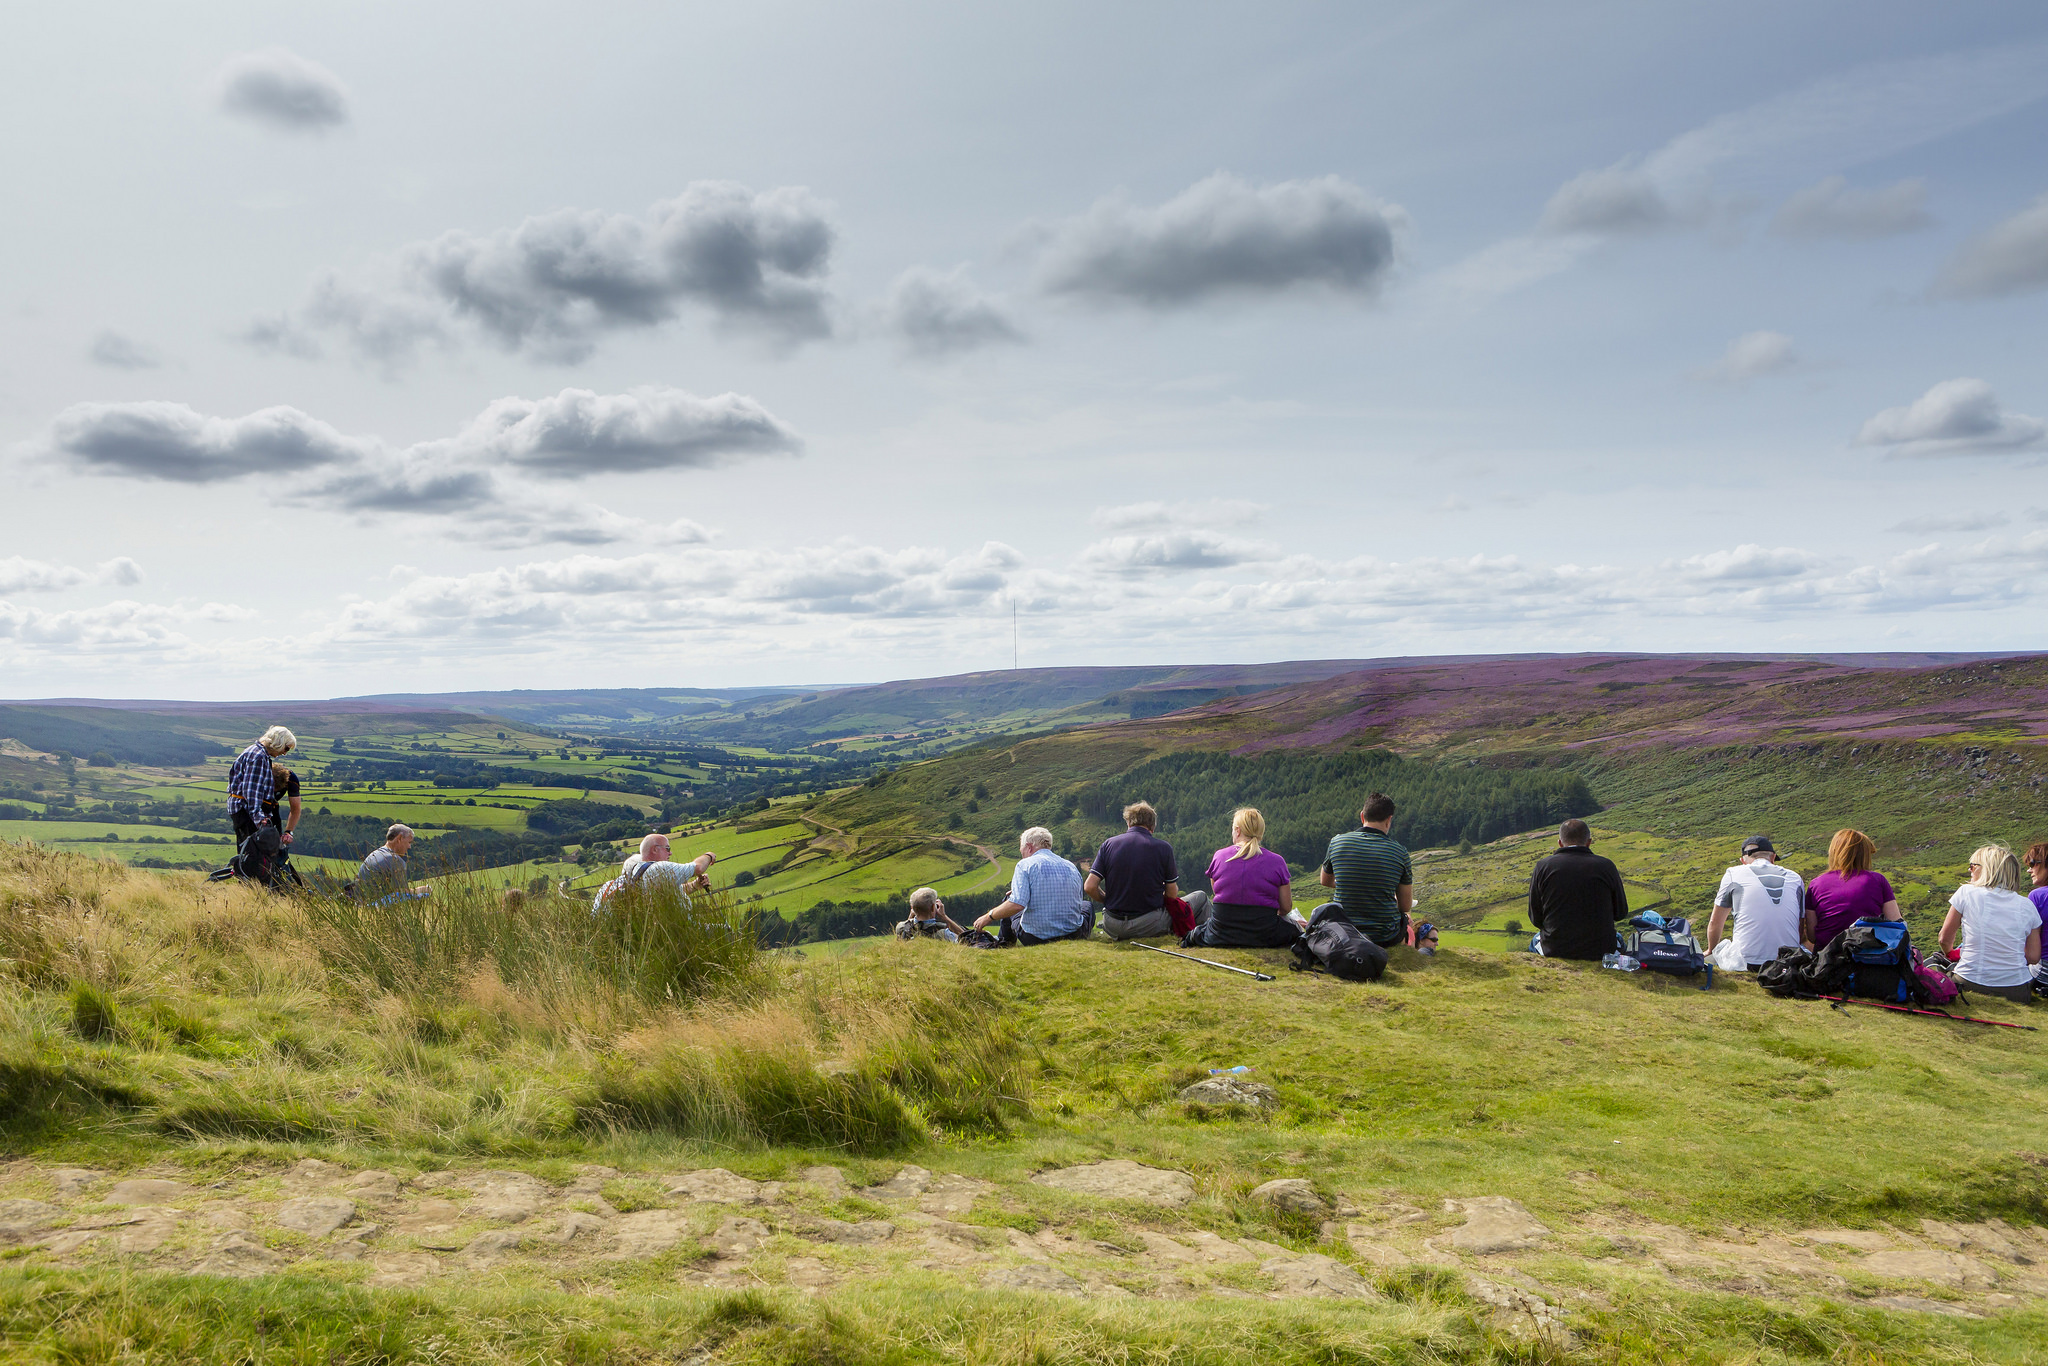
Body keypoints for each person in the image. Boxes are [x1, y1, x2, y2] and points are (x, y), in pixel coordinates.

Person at [1184, 807, 1301, 949]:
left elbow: (1219, 893)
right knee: (1296, 930)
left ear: (1238, 830)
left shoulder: (1219, 856)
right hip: (1265, 934)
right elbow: (1286, 907)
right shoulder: (1277, 861)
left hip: (1221, 932)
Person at [1939, 843, 2042, 1003]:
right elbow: (2033, 957)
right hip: (2017, 989)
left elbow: (1944, 939)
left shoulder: (1966, 892)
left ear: (1988, 868)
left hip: (1970, 981)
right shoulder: (2027, 906)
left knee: (1934, 966)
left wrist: (1951, 954)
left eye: (1973, 866)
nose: (1970, 870)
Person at [1318, 791, 1413, 948]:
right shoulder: (1400, 852)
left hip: (1344, 931)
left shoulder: (1337, 842)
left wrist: (1352, 883)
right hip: (1384, 936)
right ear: (1389, 820)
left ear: (1362, 816)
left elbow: (1325, 881)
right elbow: (1405, 906)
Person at [1526, 819, 1629, 960]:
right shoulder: (1606, 866)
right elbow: (1620, 913)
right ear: (1589, 842)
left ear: (1560, 843)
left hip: (1555, 948)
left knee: (1535, 942)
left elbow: (1536, 918)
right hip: (1601, 949)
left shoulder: (1543, 867)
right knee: (1618, 938)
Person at [1705, 835, 1808, 971]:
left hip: (1746, 963)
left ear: (1743, 860)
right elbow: (1800, 924)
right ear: (1773, 857)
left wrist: (1711, 950)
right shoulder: (1795, 878)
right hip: (1788, 962)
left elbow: (1715, 922)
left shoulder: (1733, 873)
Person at [973, 828, 1088, 944]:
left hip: (1035, 938)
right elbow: (1077, 899)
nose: (1022, 854)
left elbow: (1016, 905)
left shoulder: (1025, 865)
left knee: (1009, 900)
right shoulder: (1070, 866)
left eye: (1021, 850)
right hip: (1072, 934)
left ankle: (1005, 944)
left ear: (1029, 847)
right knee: (1087, 906)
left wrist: (988, 916)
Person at [1085, 801, 1179, 939]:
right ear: (1152, 826)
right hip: (1149, 924)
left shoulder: (1108, 845)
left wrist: (1108, 900)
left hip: (1113, 925)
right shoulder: (1163, 848)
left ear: (1128, 823)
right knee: (1199, 898)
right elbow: (1172, 893)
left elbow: (1089, 887)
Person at [1803, 828, 1900, 950]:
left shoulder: (1815, 885)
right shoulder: (1878, 880)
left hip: (1828, 959)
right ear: (1864, 856)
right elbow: (1896, 925)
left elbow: (1812, 936)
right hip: (1869, 956)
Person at [595, 834, 714, 911]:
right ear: (655, 849)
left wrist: (694, 885)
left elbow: (668, 890)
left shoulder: (610, 886)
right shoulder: (656, 870)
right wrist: (709, 855)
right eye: (667, 849)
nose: (670, 853)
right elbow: (698, 867)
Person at [227, 726, 296, 848]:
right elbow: (251, 791)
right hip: (246, 812)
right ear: (278, 742)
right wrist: (259, 818)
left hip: (242, 810)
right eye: (286, 748)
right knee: (255, 856)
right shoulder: (258, 757)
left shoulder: (256, 753)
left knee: (250, 853)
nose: (284, 753)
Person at [357, 824, 430, 904]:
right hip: (376, 903)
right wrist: (419, 890)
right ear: (399, 838)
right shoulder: (395, 860)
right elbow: (401, 891)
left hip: (361, 901)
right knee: (423, 895)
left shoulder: (374, 854)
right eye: (409, 842)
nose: (409, 847)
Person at [896, 887, 967, 942]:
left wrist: (912, 915)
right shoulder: (944, 934)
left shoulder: (900, 927)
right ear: (933, 907)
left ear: (912, 908)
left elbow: (908, 927)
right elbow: (968, 940)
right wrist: (944, 917)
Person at [2027, 842, 2048, 997]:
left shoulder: (2038, 896)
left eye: (2033, 863)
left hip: (2043, 974)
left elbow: (2029, 945)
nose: (2029, 869)